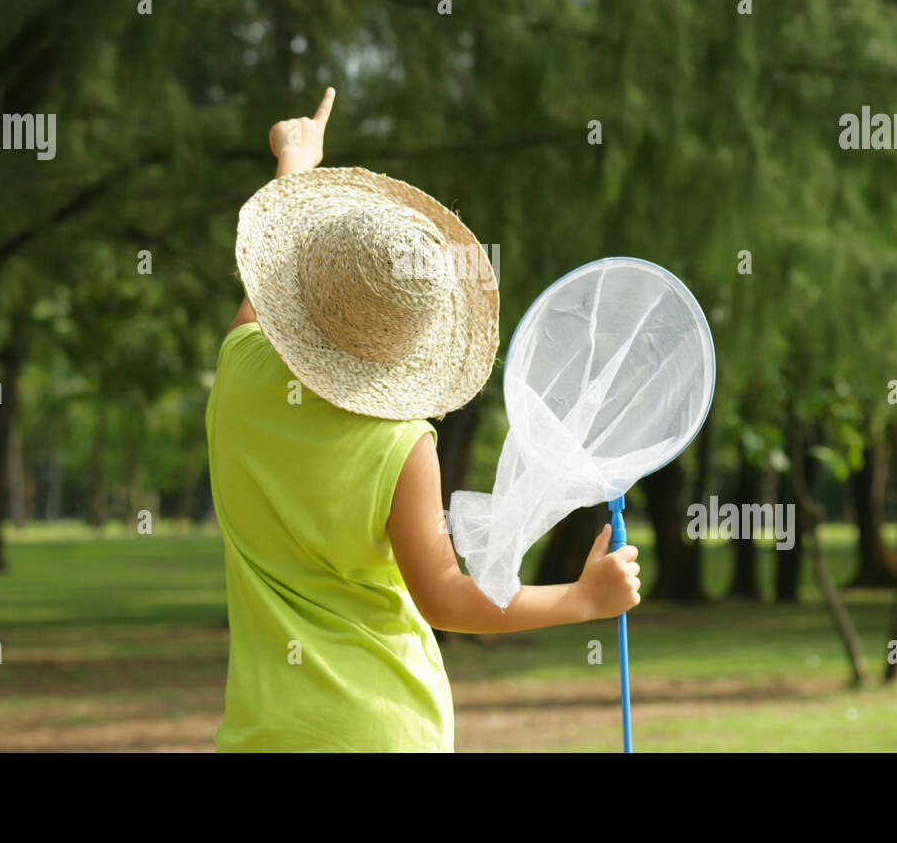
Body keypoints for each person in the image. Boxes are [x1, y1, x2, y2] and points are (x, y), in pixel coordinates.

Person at [205, 87, 641, 752]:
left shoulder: (240, 370)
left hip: (263, 732)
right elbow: (443, 597)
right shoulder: (400, 446)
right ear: (411, 342)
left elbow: (258, 286)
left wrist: (297, 158)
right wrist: (583, 599)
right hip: (382, 726)